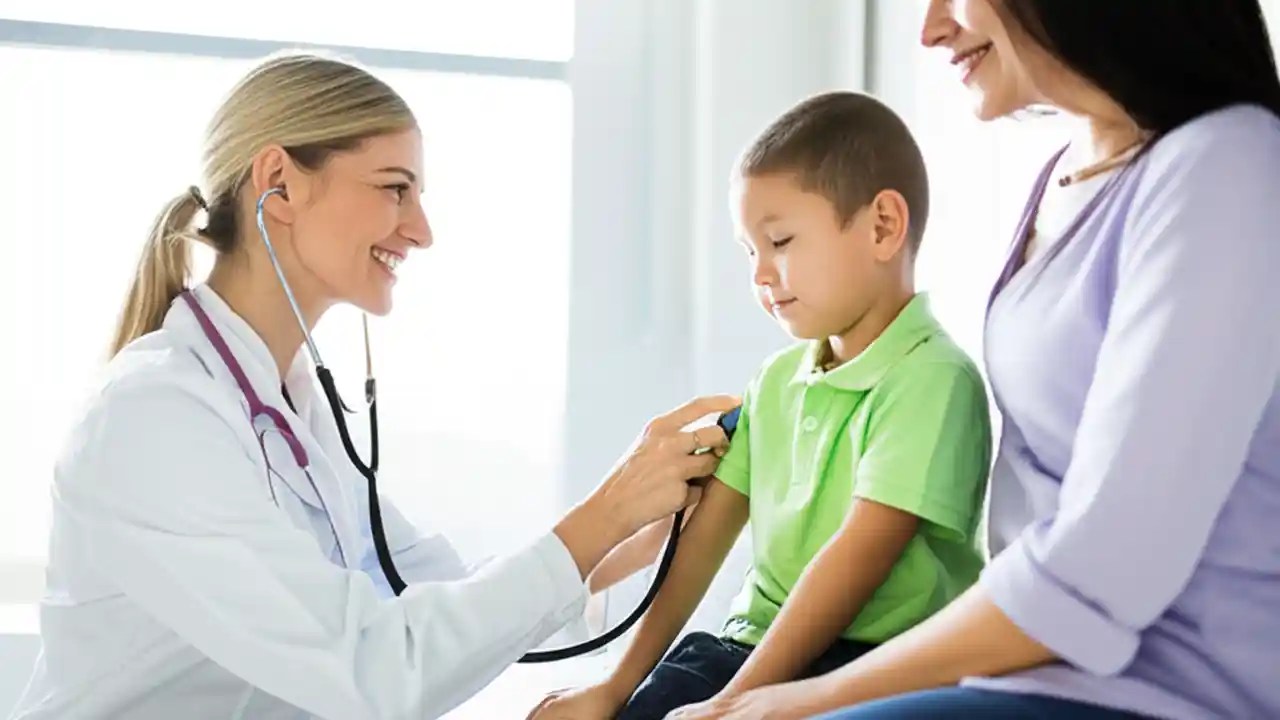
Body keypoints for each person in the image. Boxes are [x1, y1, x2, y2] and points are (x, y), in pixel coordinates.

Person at [7, 51, 740, 720]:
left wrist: (634, 530)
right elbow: (376, 668)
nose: (420, 230)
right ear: (278, 184)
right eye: (396, 189)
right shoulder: (156, 418)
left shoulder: (293, 411)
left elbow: (422, 592)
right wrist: (605, 511)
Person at [667, 2, 1280, 719]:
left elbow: (1100, 573)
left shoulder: (1228, 165)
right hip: (1031, 674)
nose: (930, 28)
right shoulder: (1067, 172)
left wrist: (789, 701)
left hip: (1168, 695)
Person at [529, 91, 992, 720]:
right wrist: (614, 688)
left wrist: (736, 704)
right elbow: (699, 547)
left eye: (779, 242)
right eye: (750, 251)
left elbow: (855, 562)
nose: (760, 275)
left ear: (883, 225)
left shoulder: (933, 379)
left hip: (870, 668)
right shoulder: (775, 381)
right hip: (744, 651)